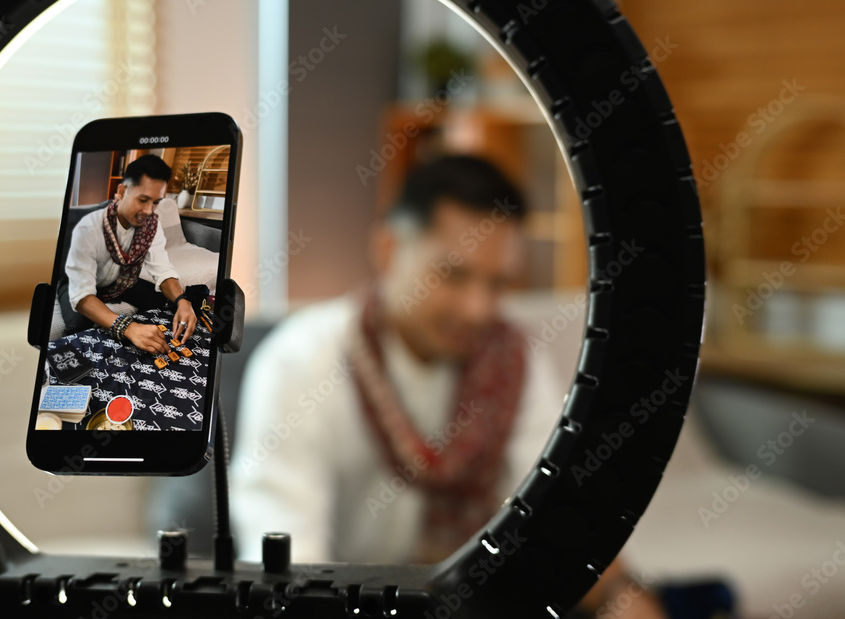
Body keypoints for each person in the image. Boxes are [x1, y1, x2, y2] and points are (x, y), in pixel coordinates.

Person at [229, 155, 666, 618]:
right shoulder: (299, 362)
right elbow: (289, 570)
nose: (479, 309)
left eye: (498, 283)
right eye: (454, 275)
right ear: (388, 250)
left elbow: (559, 516)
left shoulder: (515, 360)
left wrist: (621, 594)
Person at [60, 153, 197, 353]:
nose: (149, 211)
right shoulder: (88, 228)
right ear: (122, 191)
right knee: (78, 324)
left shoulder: (151, 225)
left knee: (162, 301)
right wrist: (129, 328)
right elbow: (82, 295)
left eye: (156, 202)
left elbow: (163, 270)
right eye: (143, 200)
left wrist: (183, 301)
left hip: (120, 282)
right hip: (79, 282)